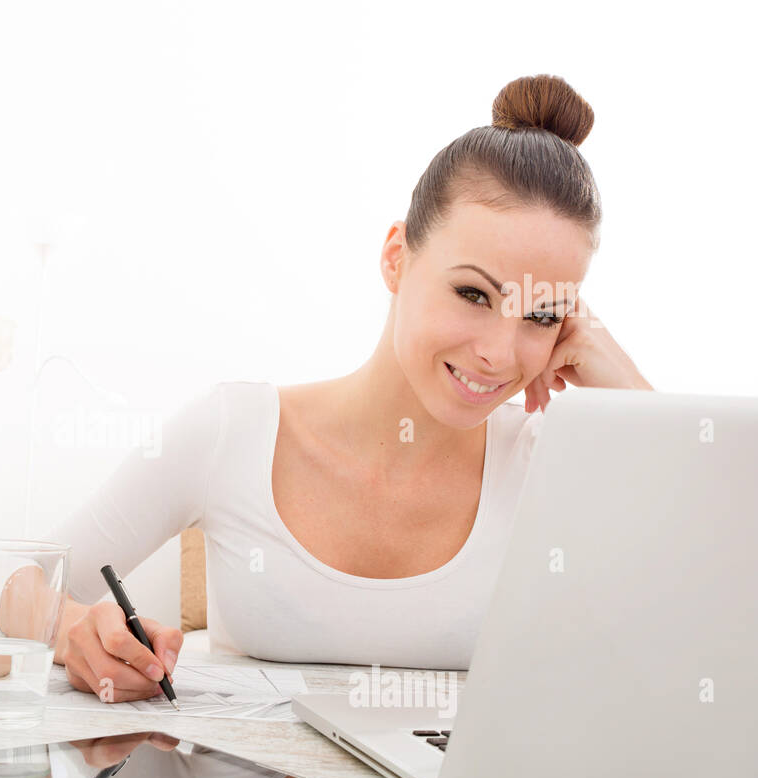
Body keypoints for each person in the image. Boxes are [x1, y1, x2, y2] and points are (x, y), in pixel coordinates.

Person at [42, 74, 653, 702]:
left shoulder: (550, 465)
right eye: (473, 293)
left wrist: (631, 389)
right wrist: (71, 628)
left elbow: (724, 612)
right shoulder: (232, 431)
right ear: (397, 256)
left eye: (542, 315)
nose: (499, 353)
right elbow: (12, 584)